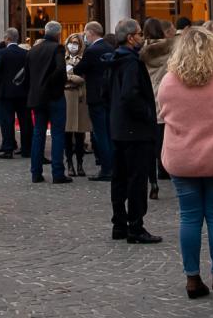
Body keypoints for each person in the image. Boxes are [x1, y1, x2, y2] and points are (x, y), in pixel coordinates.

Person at [157, 25, 213, 300]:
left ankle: (192, 278)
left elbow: (163, 112)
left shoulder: (169, 81)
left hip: (182, 158)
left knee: (189, 217)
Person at [106, 19, 161, 244]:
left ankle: (119, 223)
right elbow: (130, 94)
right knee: (136, 179)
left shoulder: (114, 60)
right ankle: (135, 226)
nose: (142, 37)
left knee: (119, 177)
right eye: (139, 34)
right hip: (134, 130)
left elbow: (105, 92)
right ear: (130, 37)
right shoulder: (130, 62)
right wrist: (147, 113)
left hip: (119, 127)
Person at [27, 20, 71, 183]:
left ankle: (35, 172)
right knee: (58, 134)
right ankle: (57, 172)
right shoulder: (57, 48)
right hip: (54, 96)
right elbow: (60, 69)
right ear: (59, 34)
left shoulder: (33, 50)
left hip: (37, 97)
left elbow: (28, 75)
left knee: (38, 133)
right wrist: (53, 83)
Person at [72, 21, 115, 180]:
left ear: (90, 33)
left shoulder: (91, 50)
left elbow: (79, 69)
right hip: (108, 96)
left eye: (85, 33)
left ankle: (106, 168)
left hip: (96, 96)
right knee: (109, 132)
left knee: (100, 133)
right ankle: (113, 165)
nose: (85, 36)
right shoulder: (110, 48)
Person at [140, 17, 173, 198]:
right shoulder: (170, 50)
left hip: (148, 96)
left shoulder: (140, 52)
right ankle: (165, 167)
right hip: (166, 95)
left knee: (150, 142)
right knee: (165, 135)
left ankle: (152, 179)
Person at [0, 28, 31, 158]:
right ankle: (26, 149)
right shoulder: (25, 53)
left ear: (7, 39)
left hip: (6, 92)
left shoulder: (2, 53)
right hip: (23, 93)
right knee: (25, 121)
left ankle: (8, 148)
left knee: (7, 122)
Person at [62, 33, 91, 179]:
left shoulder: (84, 59)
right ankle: (70, 164)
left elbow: (84, 77)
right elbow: (62, 77)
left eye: (76, 43)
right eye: (71, 42)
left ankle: (79, 163)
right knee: (67, 133)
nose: (73, 45)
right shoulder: (62, 58)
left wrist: (70, 76)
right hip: (67, 97)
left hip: (80, 98)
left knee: (80, 134)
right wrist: (72, 77)